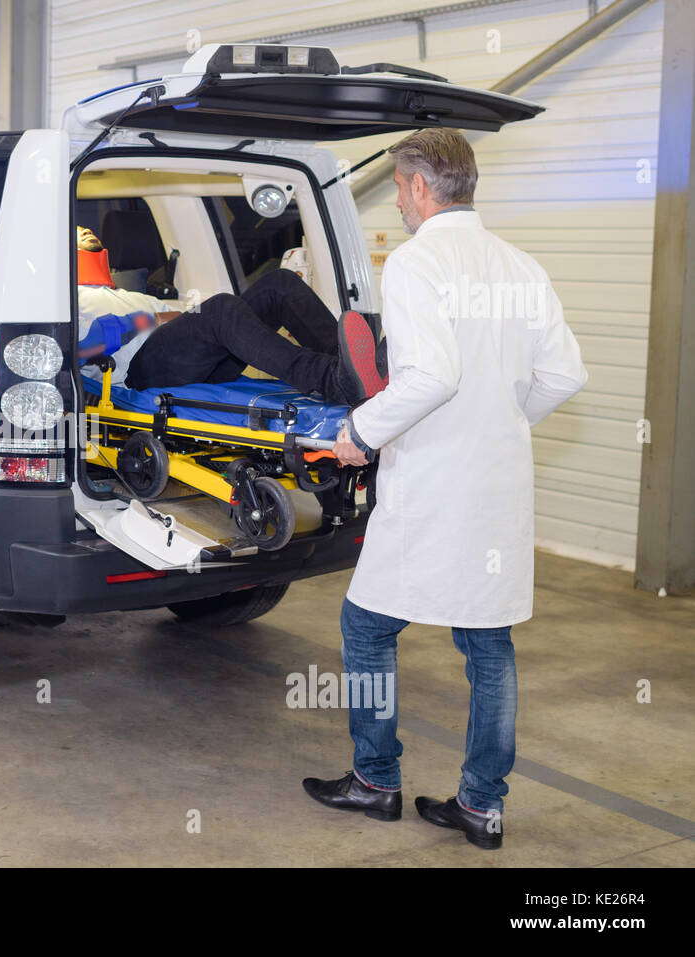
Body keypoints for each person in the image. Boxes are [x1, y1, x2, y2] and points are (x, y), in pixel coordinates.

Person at [304, 128, 588, 849]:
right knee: (488, 644)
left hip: (431, 483)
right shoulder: (521, 266)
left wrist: (359, 433)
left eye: (399, 187)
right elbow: (564, 374)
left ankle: (375, 780)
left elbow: (432, 376)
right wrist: (498, 425)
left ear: (422, 188)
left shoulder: (414, 263)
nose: (397, 200)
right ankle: (481, 805)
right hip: (495, 487)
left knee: (366, 626)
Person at [75, 226, 384, 404]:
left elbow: (179, 316)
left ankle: (350, 369)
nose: (85, 229)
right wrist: (139, 322)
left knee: (279, 283)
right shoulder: (68, 299)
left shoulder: (131, 296)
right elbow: (74, 352)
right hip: (139, 371)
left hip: (187, 356)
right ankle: (330, 378)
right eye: (76, 231)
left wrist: (178, 316)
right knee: (221, 308)